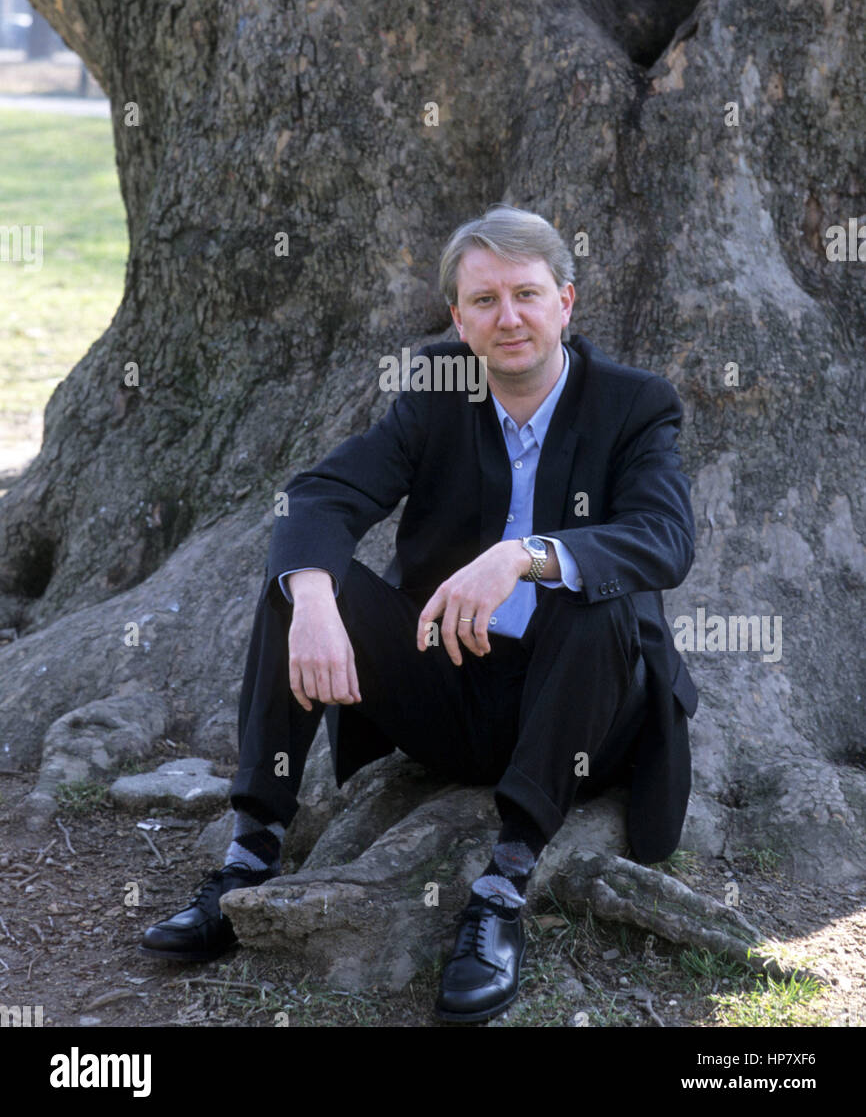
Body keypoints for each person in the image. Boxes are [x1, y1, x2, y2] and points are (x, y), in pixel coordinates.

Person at [141, 204, 698, 1024]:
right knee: (296, 582)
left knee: (597, 600)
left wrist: (525, 556)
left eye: (527, 294)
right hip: (448, 684)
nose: (508, 317)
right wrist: (319, 602)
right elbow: (321, 496)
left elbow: (664, 539)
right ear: (458, 318)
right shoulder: (436, 393)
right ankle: (250, 857)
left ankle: (502, 892)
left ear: (566, 303)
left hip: (579, 709)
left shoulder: (635, 405)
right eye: (484, 301)